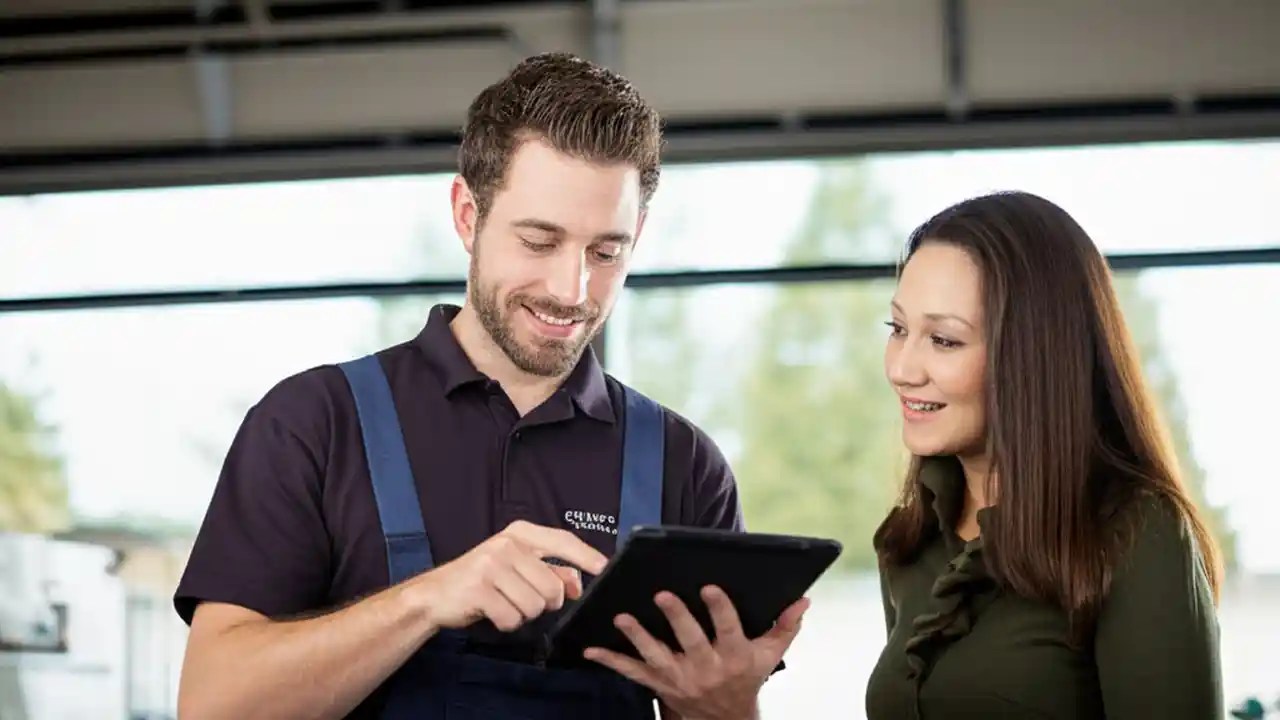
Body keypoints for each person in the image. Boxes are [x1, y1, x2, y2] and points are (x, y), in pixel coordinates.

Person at [173, 52, 807, 720]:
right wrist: (424, 600)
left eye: (605, 252)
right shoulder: (314, 425)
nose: (572, 290)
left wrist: (730, 706)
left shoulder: (686, 465)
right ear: (467, 215)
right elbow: (214, 706)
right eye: (539, 241)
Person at [864, 191, 1223, 719]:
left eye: (943, 339)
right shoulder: (909, 540)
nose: (902, 367)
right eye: (898, 329)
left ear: (1032, 356)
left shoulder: (1137, 533)